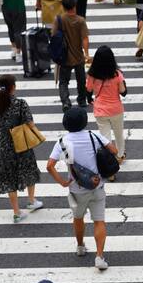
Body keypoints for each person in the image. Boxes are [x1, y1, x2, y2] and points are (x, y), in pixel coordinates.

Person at [46, 106, 118, 270]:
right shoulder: (94, 136)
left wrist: (62, 182)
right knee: (99, 220)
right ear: (84, 121)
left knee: (78, 218)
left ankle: (80, 246)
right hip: (97, 185)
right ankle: (99, 256)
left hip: (76, 189)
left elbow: (50, 166)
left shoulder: (62, 142)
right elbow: (113, 150)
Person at [0, 77, 43, 222]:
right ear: (13, 87)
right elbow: (30, 122)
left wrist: (5, 128)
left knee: (8, 175)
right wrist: (38, 134)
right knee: (29, 168)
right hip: (21, 141)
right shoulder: (20, 103)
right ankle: (31, 201)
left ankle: (17, 212)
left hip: (5, 143)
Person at [85, 44, 126, 161]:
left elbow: (88, 90)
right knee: (119, 134)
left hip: (100, 110)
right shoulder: (117, 74)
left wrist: (90, 99)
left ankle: (109, 160)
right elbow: (123, 92)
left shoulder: (92, 74)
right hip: (116, 109)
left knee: (105, 137)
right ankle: (120, 156)